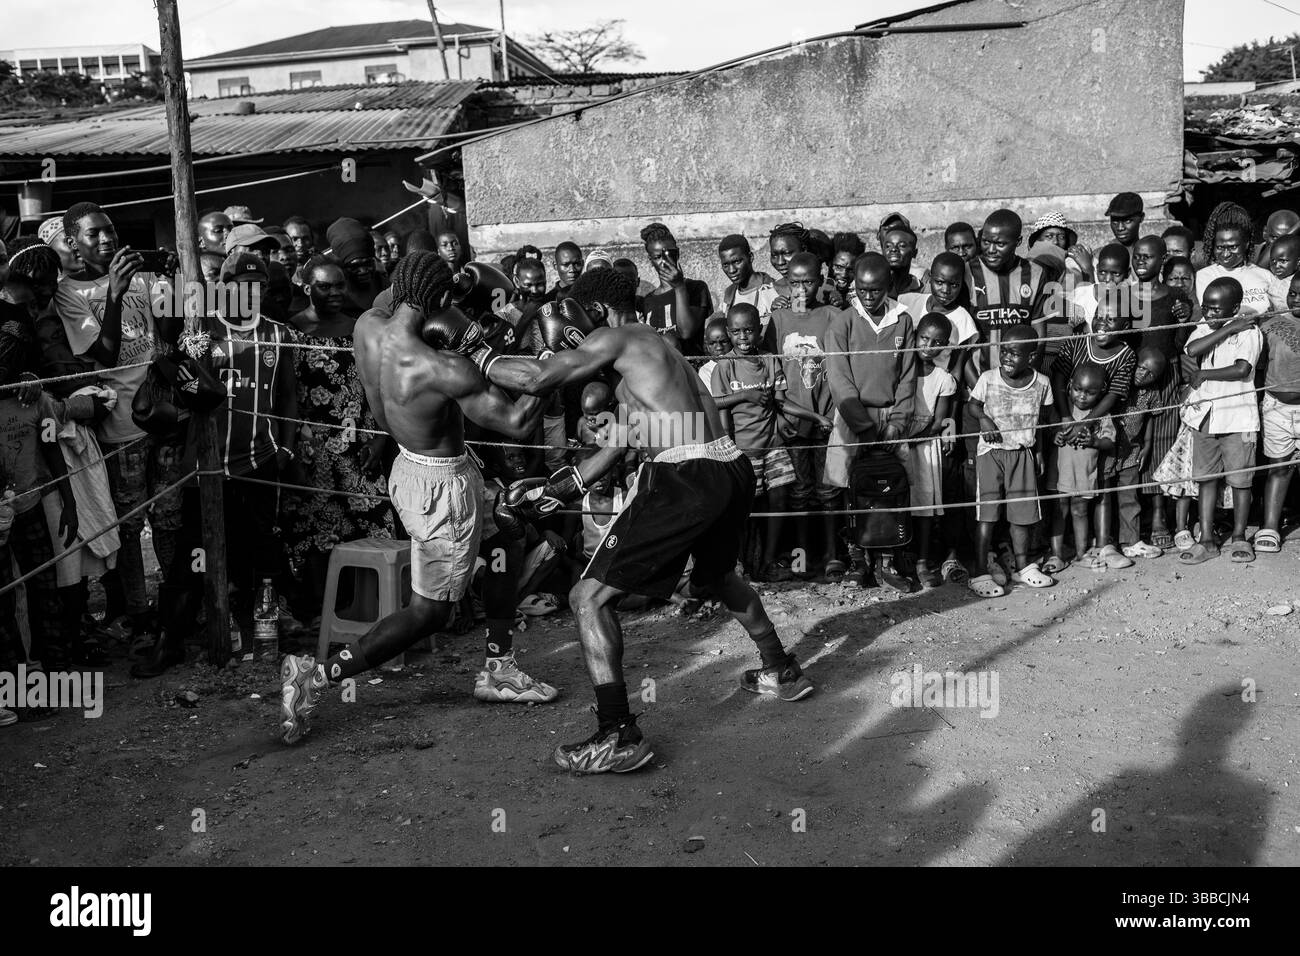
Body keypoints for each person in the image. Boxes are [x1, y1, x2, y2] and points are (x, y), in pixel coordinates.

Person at [480, 266, 814, 774]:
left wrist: (474, 355)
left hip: (684, 473)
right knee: (721, 575)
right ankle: (780, 669)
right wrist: (558, 488)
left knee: (586, 597)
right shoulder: (657, 350)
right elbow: (618, 443)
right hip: (728, 464)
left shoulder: (615, 337)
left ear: (593, 312)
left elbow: (538, 377)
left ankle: (617, 733)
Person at [278, 252, 554, 744]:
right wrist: (547, 363)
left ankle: (500, 667)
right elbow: (518, 423)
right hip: (443, 486)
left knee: (502, 540)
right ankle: (316, 676)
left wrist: (455, 279)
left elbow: (407, 290)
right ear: (443, 302)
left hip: (408, 467)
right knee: (431, 612)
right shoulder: (443, 368)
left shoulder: (367, 324)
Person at [133, 252, 300, 678]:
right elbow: (167, 345)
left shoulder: (280, 335)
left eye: (259, 283)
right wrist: (178, 287)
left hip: (260, 462)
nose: (252, 290)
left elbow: (286, 398)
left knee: (261, 549)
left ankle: (262, 635)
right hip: (208, 468)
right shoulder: (202, 330)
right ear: (225, 287)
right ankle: (169, 641)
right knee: (192, 556)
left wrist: (285, 448)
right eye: (242, 283)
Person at [54, 202, 178, 647]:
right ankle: (136, 611)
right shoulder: (68, 293)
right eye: (94, 235)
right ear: (73, 243)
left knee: (168, 517)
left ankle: (173, 608)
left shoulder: (140, 275)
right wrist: (114, 293)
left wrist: (172, 283)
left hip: (161, 417)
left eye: (110, 231)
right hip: (120, 428)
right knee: (128, 525)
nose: (106, 240)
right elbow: (103, 354)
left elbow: (168, 337)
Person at [282, 256, 394, 616]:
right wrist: (294, 451)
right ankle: (323, 614)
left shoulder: (362, 326)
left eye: (339, 285)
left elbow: (380, 386)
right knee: (315, 534)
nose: (334, 293)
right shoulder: (291, 332)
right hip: (312, 453)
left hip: (362, 447)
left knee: (375, 525)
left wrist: (380, 437)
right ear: (306, 287)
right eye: (324, 286)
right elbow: (286, 396)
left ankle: (373, 610)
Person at [824, 252, 918, 593]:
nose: (869, 296)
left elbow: (908, 375)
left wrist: (897, 421)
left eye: (875, 290)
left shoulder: (903, 321)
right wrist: (863, 426)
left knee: (891, 489)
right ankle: (858, 560)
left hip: (891, 415)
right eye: (862, 290)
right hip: (853, 417)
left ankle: (889, 561)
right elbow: (839, 378)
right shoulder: (843, 323)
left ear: (887, 287)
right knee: (849, 488)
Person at [765, 252, 843, 578]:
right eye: (794, 283)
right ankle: (802, 559)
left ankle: (833, 555)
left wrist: (838, 413)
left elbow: (843, 368)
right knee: (799, 493)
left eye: (808, 282)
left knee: (829, 492)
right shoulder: (778, 321)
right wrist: (779, 414)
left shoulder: (833, 316)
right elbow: (770, 369)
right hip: (792, 420)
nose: (800, 290)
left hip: (826, 416)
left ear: (821, 279)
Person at [1178, 278, 1263, 565]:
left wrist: (1205, 375)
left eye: (1217, 309)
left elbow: (1241, 369)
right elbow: (1192, 350)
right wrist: (1226, 327)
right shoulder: (1204, 327)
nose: (1210, 314)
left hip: (1238, 417)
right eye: (1206, 308)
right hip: (1206, 415)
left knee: (1240, 480)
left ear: (1235, 307)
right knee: (1205, 479)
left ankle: (1239, 536)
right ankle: (1207, 541)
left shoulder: (1249, 332)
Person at [966, 324, 1055, 597]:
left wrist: (1038, 451)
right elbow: (973, 405)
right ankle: (980, 570)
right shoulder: (989, 379)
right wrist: (983, 419)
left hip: (1023, 453)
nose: (1006, 358)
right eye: (1003, 351)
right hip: (991, 454)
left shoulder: (1042, 383)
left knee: (1022, 514)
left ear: (1031, 357)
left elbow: (1042, 421)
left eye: (1014, 354)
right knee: (988, 514)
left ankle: (1022, 565)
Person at [711, 304, 798, 580]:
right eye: (736, 332)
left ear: (759, 330)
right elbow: (716, 405)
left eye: (749, 330)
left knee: (781, 497)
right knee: (746, 509)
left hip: (772, 443)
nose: (743, 337)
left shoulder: (770, 359)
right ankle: (743, 565)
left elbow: (781, 401)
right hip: (743, 448)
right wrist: (744, 398)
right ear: (728, 333)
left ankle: (770, 561)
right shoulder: (724, 366)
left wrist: (807, 418)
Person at [1045, 364, 1118, 572]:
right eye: (1078, 389)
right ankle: (1056, 555)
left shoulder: (1101, 415)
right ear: (1069, 386)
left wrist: (1094, 441)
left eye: (1090, 392)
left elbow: (1109, 442)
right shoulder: (1062, 409)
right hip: (1060, 473)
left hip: (1085, 474)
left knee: (1080, 512)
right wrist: (1056, 436)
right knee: (1059, 512)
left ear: (1101, 392)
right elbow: (1049, 431)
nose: (1082, 396)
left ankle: (1080, 554)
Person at [907, 313, 958, 588]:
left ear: (945, 345)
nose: (928, 345)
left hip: (924, 446)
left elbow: (939, 421)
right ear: (915, 336)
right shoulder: (901, 369)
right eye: (924, 338)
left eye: (936, 342)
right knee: (900, 501)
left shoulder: (943, 378)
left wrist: (912, 440)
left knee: (924, 507)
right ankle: (899, 558)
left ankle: (923, 561)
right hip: (898, 440)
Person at [1110, 348, 1174, 559]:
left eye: (1150, 374)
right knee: (1103, 496)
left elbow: (1149, 419)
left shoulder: (1152, 392)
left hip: (1132, 451)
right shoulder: (1118, 384)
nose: (1143, 375)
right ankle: (1105, 541)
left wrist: (1146, 445)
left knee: (1129, 497)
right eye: (1141, 368)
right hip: (1107, 449)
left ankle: (1131, 541)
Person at [1253, 271, 1300, 554]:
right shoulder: (1271, 324)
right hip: (1276, 407)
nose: (1296, 298)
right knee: (1278, 466)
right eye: (1293, 292)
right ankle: (1269, 526)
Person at [899, 252, 978, 376]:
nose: (945, 290)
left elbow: (957, 367)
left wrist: (950, 391)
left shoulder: (962, 319)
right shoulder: (907, 302)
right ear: (930, 278)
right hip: (905, 379)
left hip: (937, 386)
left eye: (954, 285)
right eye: (939, 282)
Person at [638, 222, 713, 348]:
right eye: (657, 257)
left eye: (668, 254)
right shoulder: (649, 300)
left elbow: (686, 332)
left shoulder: (696, 288)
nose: (664, 262)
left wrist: (679, 287)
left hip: (690, 365)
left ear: (677, 253)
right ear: (650, 260)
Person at [1195, 223, 1272, 317]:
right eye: (1220, 247)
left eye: (1233, 247)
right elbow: (1211, 315)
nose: (1226, 254)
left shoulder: (1264, 274)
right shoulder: (1205, 276)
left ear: (1246, 244)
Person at [716, 234, 778, 334]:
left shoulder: (772, 289)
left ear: (750, 257)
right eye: (726, 265)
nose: (732, 270)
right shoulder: (729, 294)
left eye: (736, 261)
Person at [326, 217, 386, 314]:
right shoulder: (334, 300)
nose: (363, 270)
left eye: (367, 263)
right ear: (342, 267)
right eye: (354, 266)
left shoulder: (386, 286)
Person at [1026, 211, 1093, 280]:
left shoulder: (1071, 266)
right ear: (1038, 241)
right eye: (1049, 236)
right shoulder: (1032, 267)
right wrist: (1087, 269)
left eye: (1061, 237)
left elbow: (1092, 290)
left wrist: (1087, 267)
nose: (1055, 242)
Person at [1101, 192, 1144, 269]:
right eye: (1115, 221)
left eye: (1127, 221)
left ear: (1141, 218)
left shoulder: (1150, 256)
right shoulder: (1100, 257)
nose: (1120, 228)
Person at [828, 232, 866, 307]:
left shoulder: (862, 296)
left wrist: (845, 304)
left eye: (851, 269)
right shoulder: (818, 289)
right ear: (830, 264)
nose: (844, 274)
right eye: (838, 267)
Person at [1265, 233, 1300, 313]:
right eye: (1273, 260)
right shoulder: (1273, 278)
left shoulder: (1295, 282)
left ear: (1298, 262)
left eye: (1283, 261)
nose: (1277, 265)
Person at [699, 316, 730, 388]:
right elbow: (713, 399)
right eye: (712, 343)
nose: (719, 347)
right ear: (707, 346)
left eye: (724, 342)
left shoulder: (741, 363)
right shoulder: (706, 371)